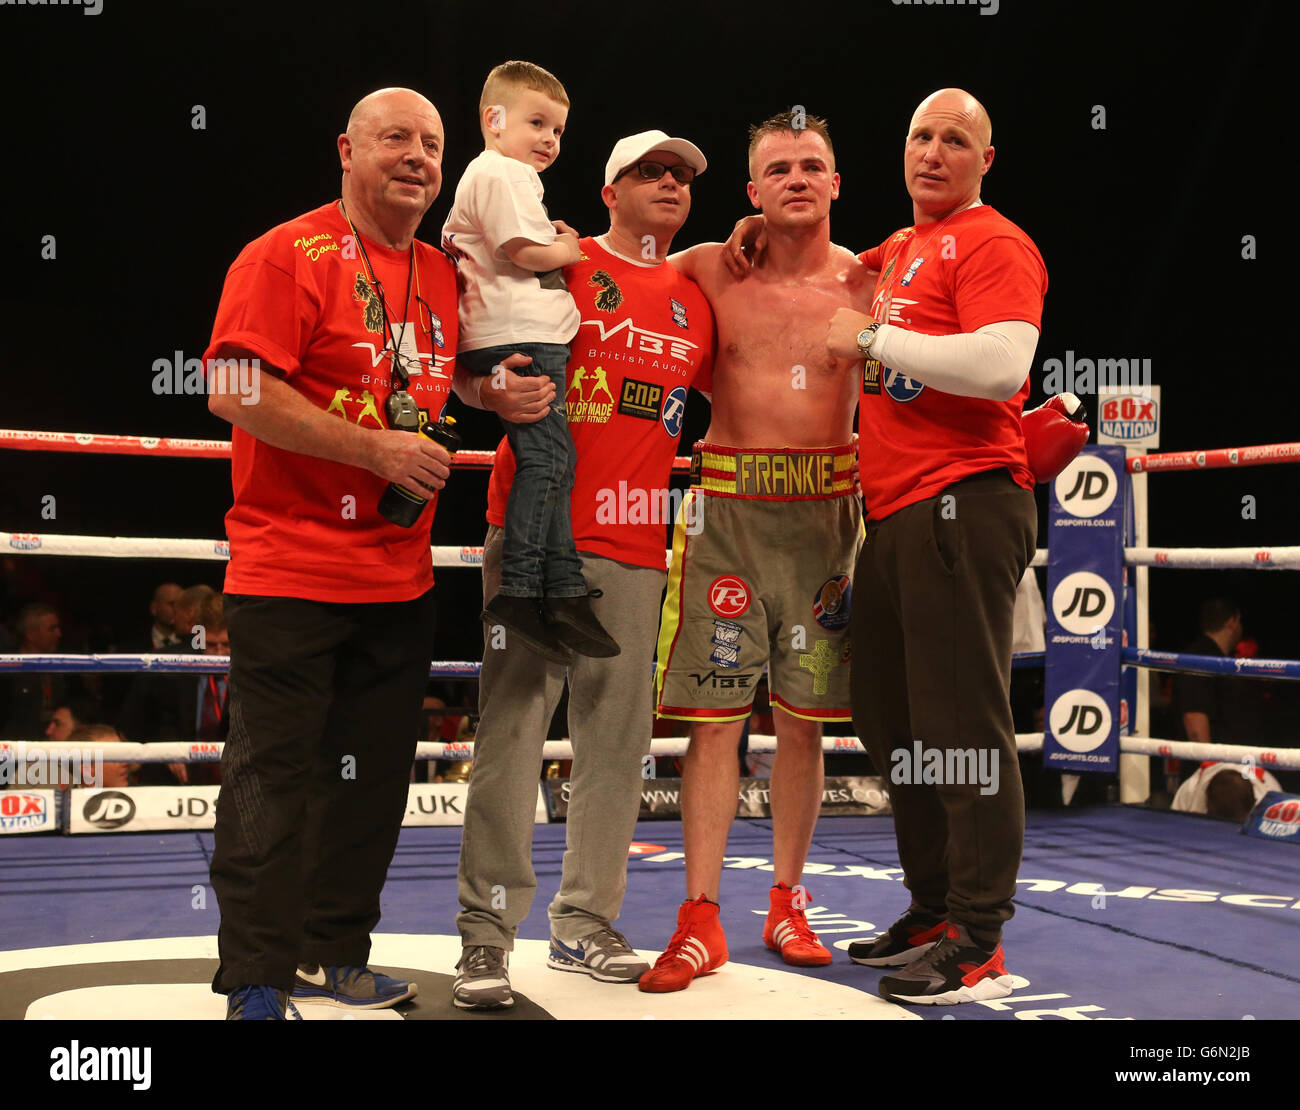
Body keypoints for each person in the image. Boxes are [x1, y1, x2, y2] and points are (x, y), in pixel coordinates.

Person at [203, 87, 511, 1020]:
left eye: (432, 143)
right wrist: (373, 448)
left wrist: (496, 391)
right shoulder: (283, 253)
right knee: (271, 782)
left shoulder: (442, 271)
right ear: (347, 149)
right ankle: (256, 976)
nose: (417, 156)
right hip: (288, 570)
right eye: (395, 139)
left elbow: (441, 370)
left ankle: (333, 952)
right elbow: (226, 385)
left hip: (399, 576)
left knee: (371, 784)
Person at [449, 130, 714, 1009]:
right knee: (511, 735)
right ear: (609, 191)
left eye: (681, 175)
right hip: (533, 538)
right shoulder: (556, 263)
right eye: (652, 172)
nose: (670, 184)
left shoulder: (695, 296)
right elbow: (464, 358)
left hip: (638, 543)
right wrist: (487, 396)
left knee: (618, 746)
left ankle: (584, 922)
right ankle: (486, 939)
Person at [812, 89, 1046, 1004]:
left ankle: (981, 934)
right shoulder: (904, 248)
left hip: (965, 501)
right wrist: (755, 235)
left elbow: (1002, 366)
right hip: (898, 511)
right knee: (891, 720)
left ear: (987, 159)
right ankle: (938, 905)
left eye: (957, 139)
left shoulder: (994, 242)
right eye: (920, 135)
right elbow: (826, 264)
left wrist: (872, 336)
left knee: (961, 729)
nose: (934, 151)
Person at [638, 111, 875, 994]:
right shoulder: (704, 267)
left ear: (837, 182)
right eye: (778, 169)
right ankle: (700, 919)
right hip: (725, 515)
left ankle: (786, 897)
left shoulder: (872, 278)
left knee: (805, 724)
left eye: (813, 164)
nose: (797, 179)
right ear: (753, 191)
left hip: (826, 520)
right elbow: (619, 282)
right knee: (713, 723)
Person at [441, 60, 616, 663]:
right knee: (547, 461)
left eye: (559, 130)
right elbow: (522, 251)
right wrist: (568, 248)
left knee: (553, 460)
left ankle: (563, 588)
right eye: (537, 122)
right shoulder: (502, 172)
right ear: (494, 120)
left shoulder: (496, 175)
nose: (549, 139)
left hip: (512, 333)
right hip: (519, 335)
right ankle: (520, 587)